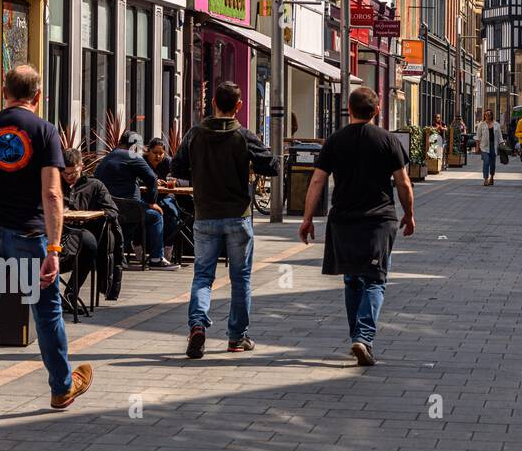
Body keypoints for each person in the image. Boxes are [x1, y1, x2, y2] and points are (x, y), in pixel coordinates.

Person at [0, 65, 93, 430]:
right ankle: (61, 388)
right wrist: (55, 248)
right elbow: (53, 193)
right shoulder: (44, 132)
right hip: (29, 237)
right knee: (46, 313)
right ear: (37, 96)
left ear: (3, 91)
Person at [299, 88, 415, 367]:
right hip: (378, 220)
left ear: (348, 109)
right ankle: (363, 338)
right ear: (377, 110)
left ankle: (357, 337)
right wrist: (409, 214)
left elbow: (317, 181)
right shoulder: (388, 140)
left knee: (351, 280)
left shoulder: (335, 141)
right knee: (374, 280)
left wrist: (307, 218)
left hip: (344, 220)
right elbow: (403, 182)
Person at [173, 81, 280, 358]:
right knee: (241, 278)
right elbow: (272, 165)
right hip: (237, 217)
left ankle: (197, 325)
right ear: (239, 106)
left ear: (213, 104)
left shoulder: (195, 134)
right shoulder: (243, 136)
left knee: (203, 276)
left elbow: (177, 167)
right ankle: (237, 337)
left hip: (205, 215)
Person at [95, 131, 176, 269]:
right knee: (156, 215)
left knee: (130, 221)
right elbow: (151, 178)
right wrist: (152, 202)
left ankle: (118, 256)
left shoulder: (107, 158)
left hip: (109, 209)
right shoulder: (132, 157)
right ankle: (156, 258)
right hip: (130, 209)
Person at [61, 148, 119, 301]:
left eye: (73, 173)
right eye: (65, 173)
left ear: (81, 166)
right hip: (57, 233)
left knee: (88, 244)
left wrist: (93, 215)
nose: (69, 177)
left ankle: (71, 293)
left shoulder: (95, 185)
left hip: (83, 232)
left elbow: (112, 210)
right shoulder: (53, 184)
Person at [144, 137, 184, 245]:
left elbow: (179, 177)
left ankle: (168, 246)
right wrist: (151, 182)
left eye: (161, 153)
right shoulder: (142, 162)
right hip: (146, 197)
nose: (158, 156)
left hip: (166, 196)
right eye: (155, 153)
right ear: (148, 151)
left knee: (173, 214)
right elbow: (135, 178)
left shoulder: (169, 162)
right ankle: (138, 243)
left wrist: (174, 181)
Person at [474, 108, 505, 186]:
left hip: (493, 146)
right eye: (486, 114)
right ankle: (485, 179)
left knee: (492, 164)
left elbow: (500, 137)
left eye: (489, 114)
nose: (488, 116)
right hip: (484, 146)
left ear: (492, 115)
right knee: (486, 162)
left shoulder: (496, 125)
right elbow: (478, 137)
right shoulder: (481, 124)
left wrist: (502, 144)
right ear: (484, 115)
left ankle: (492, 177)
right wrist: (477, 147)